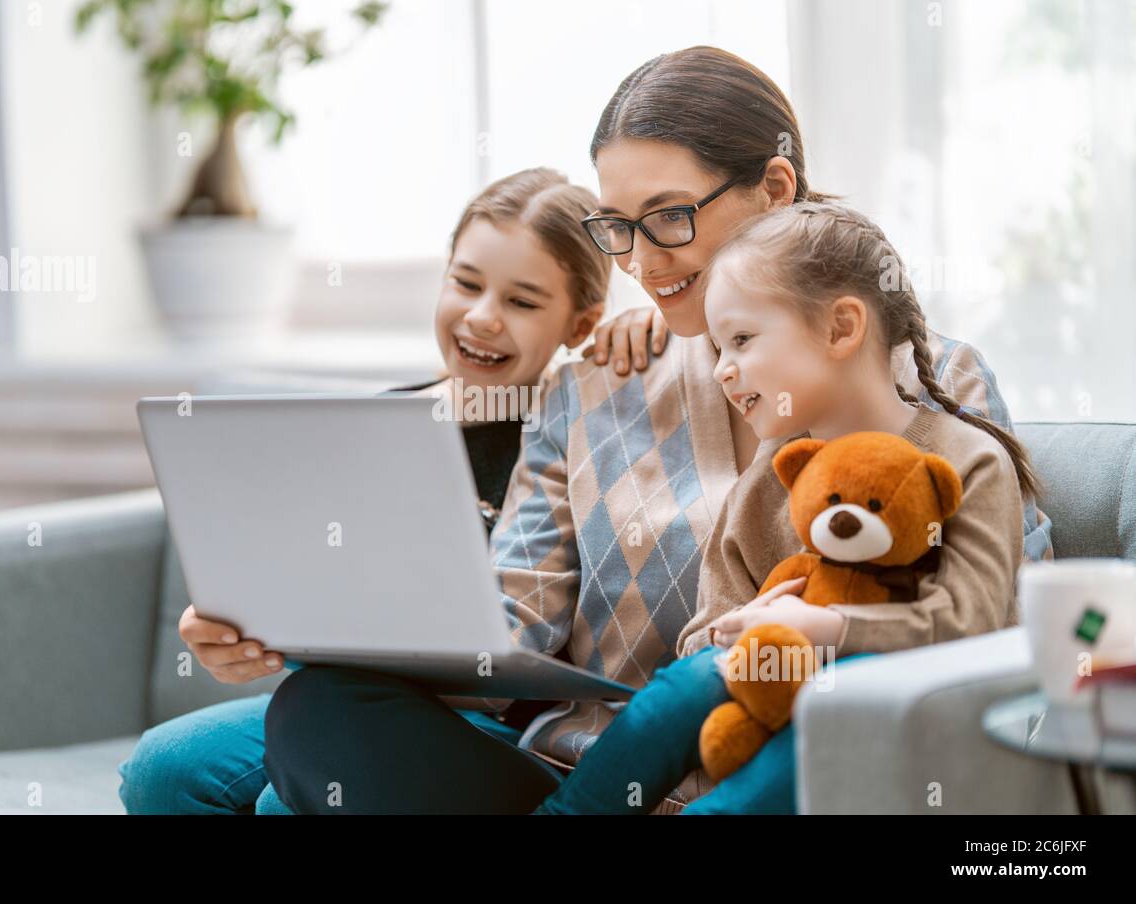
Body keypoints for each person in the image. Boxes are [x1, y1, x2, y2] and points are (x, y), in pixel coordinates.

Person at [261, 46, 1052, 816]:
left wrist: (829, 633)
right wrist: (294, 623)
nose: (639, 260)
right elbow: (510, 638)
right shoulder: (595, 385)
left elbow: (1009, 624)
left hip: (787, 758)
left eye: (669, 218)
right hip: (585, 766)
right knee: (315, 710)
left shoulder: (939, 389)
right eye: (617, 226)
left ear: (776, 188)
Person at [117, 167, 661, 814]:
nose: (482, 318)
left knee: (281, 797)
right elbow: (314, 584)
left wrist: (645, 326)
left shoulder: (574, 429)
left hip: (495, 730)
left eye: (522, 302)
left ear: (581, 325)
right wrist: (233, 626)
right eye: (465, 283)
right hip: (354, 699)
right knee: (161, 769)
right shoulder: (380, 424)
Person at [533, 201, 1033, 814]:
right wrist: (748, 623)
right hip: (778, 698)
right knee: (687, 685)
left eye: (741, 340)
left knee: (831, 708)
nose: (722, 371)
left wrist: (824, 630)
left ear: (840, 328)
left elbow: (970, 629)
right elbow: (705, 637)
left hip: (921, 729)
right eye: (718, 348)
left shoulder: (967, 460)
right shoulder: (779, 470)